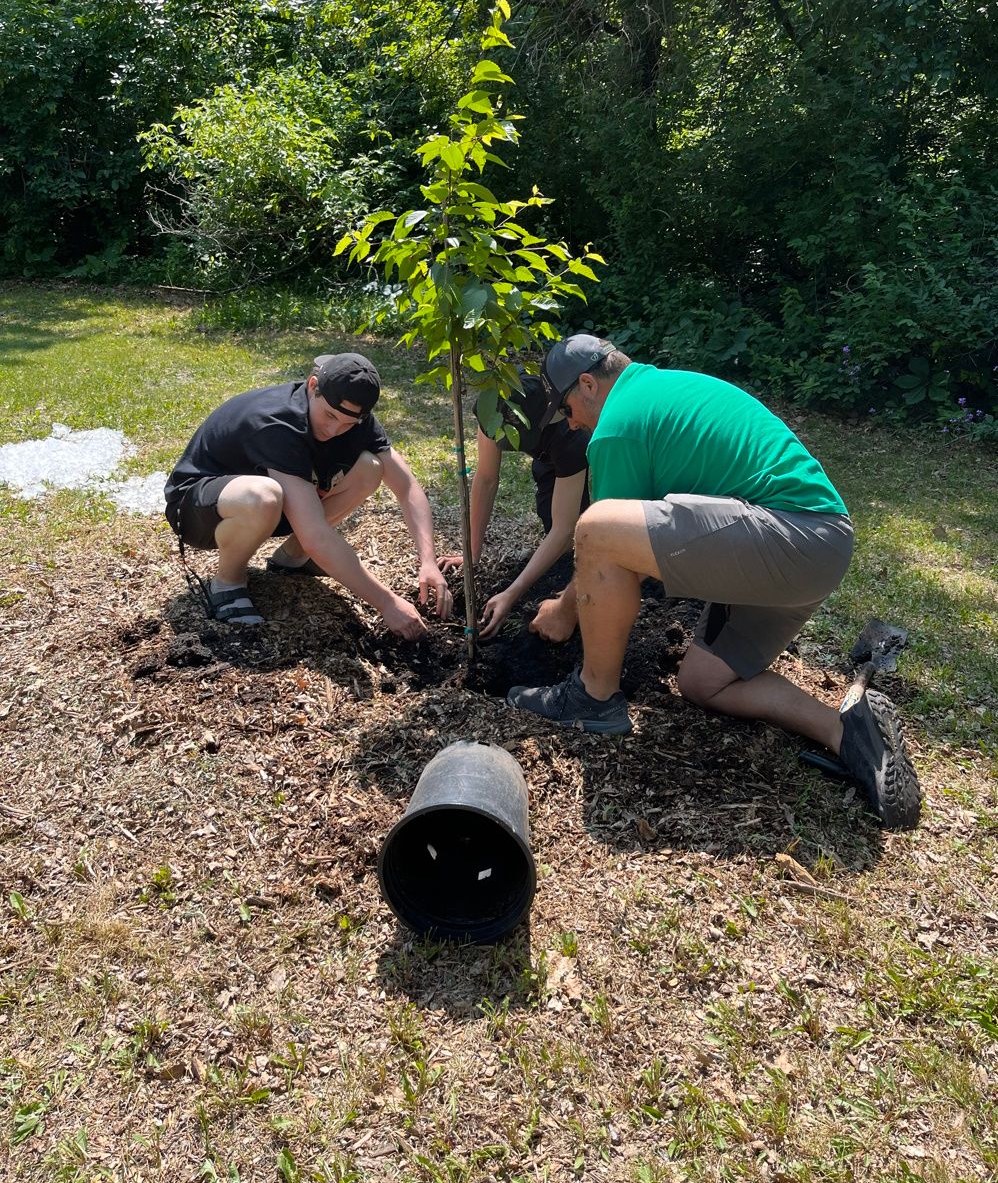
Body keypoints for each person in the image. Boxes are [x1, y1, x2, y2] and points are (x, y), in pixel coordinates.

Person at [505, 334, 921, 830]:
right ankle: (846, 732)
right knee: (704, 683)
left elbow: (605, 545)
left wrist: (564, 610)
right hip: (814, 550)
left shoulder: (616, 426)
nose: (568, 422)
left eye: (566, 406)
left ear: (589, 384)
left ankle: (593, 696)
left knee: (593, 526)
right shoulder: (662, 389)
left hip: (791, 535)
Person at [164, 352, 453, 637]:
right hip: (198, 509)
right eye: (329, 415)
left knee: (370, 468)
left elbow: (408, 487)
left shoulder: (355, 418)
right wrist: (387, 604)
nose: (334, 429)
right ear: (312, 386)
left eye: (347, 424)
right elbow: (316, 536)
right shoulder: (278, 423)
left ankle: (291, 558)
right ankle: (227, 583)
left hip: (269, 505)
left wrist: (428, 560)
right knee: (262, 496)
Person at [437, 375, 590, 637]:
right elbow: (486, 479)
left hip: (583, 463)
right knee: (549, 519)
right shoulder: (495, 408)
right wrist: (472, 555)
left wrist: (511, 593)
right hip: (547, 459)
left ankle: (580, 589)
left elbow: (564, 528)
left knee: (576, 530)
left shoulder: (572, 435)